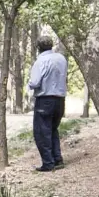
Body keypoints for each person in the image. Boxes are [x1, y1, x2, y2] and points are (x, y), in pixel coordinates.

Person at [27, 37, 67, 171]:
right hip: (60, 99)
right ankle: (57, 160)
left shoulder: (40, 61)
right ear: (51, 46)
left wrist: (29, 84)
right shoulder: (61, 59)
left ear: (38, 47)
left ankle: (48, 163)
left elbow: (34, 82)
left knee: (42, 132)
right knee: (53, 129)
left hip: (45, 100)